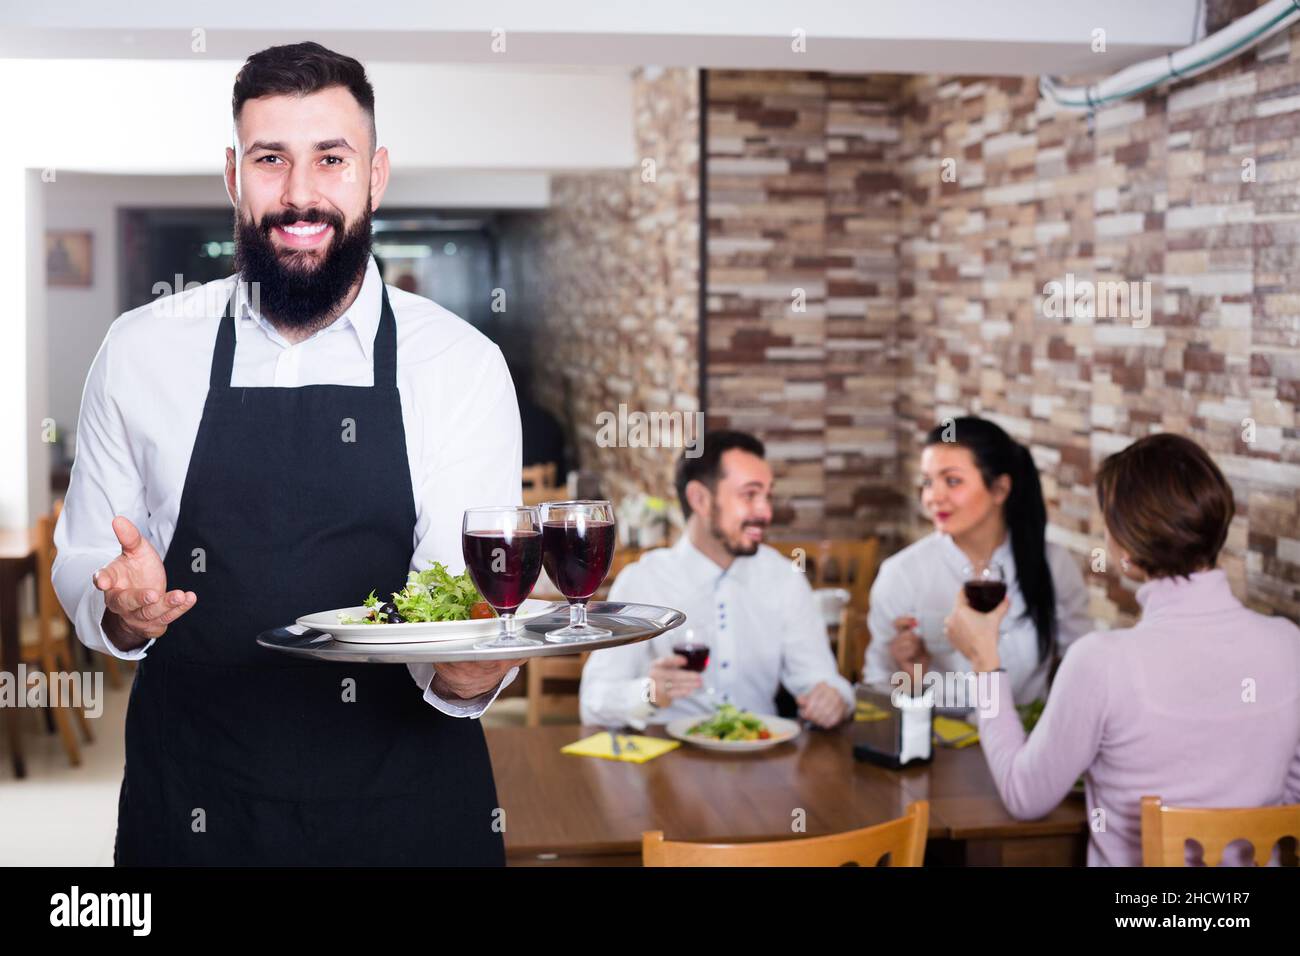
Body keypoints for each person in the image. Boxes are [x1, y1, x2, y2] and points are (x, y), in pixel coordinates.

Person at [51, 42, 523, 866]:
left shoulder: (462, 366)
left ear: (375, 175)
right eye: (271, 159)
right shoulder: (140, 351)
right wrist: (119, 610)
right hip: (194, 800)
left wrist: (473, 670)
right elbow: (85, 555)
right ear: (233, 176)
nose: (300, 194)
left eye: (330, 159)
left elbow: (463, 609)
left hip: (404, 810)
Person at [945, 433, 1300, 866]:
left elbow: (1025, 796)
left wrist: (984, 662)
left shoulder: (1101, 662)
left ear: (1126, 551)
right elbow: (1291, 798)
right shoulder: (1289, 644)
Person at [579, 431, 854, 729]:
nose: (766, 511)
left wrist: (835, 699)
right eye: (750, 495)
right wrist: (649, 692)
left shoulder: (785, 579)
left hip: (762, 756)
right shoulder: (643, 581)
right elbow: (593, 702)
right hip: (666, 765)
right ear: (700, 499)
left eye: (768, 496)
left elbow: (824, 681)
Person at [864, 417, 1092, 706]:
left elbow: (1083, 666)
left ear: (999, 489)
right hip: (938, 744)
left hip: (1028, 741)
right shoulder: (901, 574)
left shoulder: (1053, 564)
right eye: (927, 482)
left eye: (952, 481)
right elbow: (876, 689)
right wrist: (911, 673)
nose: (934, 497)